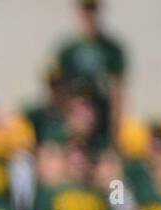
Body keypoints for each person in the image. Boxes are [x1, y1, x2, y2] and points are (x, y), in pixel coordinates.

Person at [52, 0, 126, 147]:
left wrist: (115, 132)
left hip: (101, 119)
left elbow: (118, 92)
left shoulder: (112, 50)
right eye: (86, 10)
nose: (89, 15)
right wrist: (68, 120)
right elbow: (59, 90)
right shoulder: (68, 50)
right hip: (74, 118)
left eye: (92, 10)